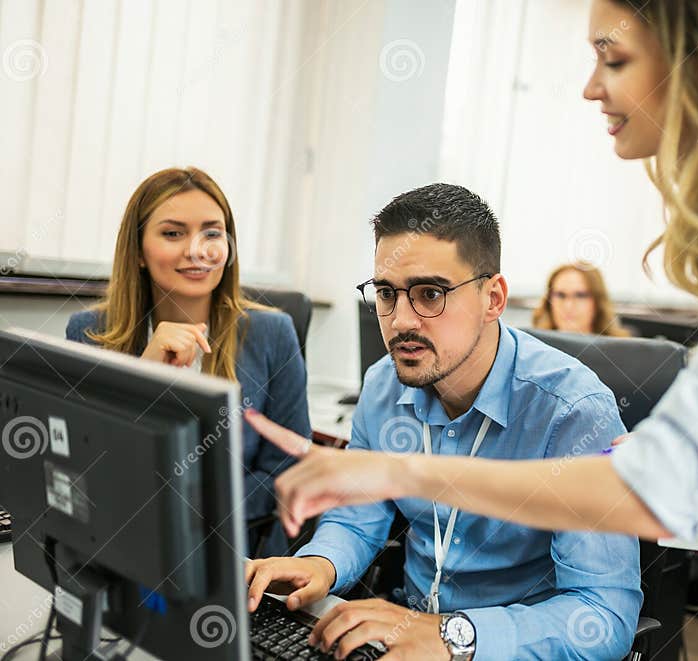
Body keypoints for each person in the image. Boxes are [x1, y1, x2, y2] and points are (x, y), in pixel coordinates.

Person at [249, 2, 698, 657]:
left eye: (615, 57)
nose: (590, 86)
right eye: (386, 292)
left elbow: (652, 499)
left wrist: (396, 468)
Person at [245, 184, 641, 660]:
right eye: (387, 294)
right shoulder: (384, 386)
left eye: (430, 294)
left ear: (493, 298)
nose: (401, 320)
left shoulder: (571, 412)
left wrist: (455, 636)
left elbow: (604, 615)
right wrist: (319, 563)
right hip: (401, 637)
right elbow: (358, 515)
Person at [66, 167, 309, 556]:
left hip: (231, 553)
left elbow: (287, 471)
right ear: (138, 251)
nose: (197, 250)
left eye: (212, 232)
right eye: (173, 233)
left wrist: (187, 513)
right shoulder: (89, 332)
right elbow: (85, 468)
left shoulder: (272, 333)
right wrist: (144, 376)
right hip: (119, 547)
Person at [532, 262, 631, 336]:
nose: (568, 306)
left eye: (580, 295)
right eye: (560, 295)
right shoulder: (532, 347)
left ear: (597, 302)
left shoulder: (622, 351)